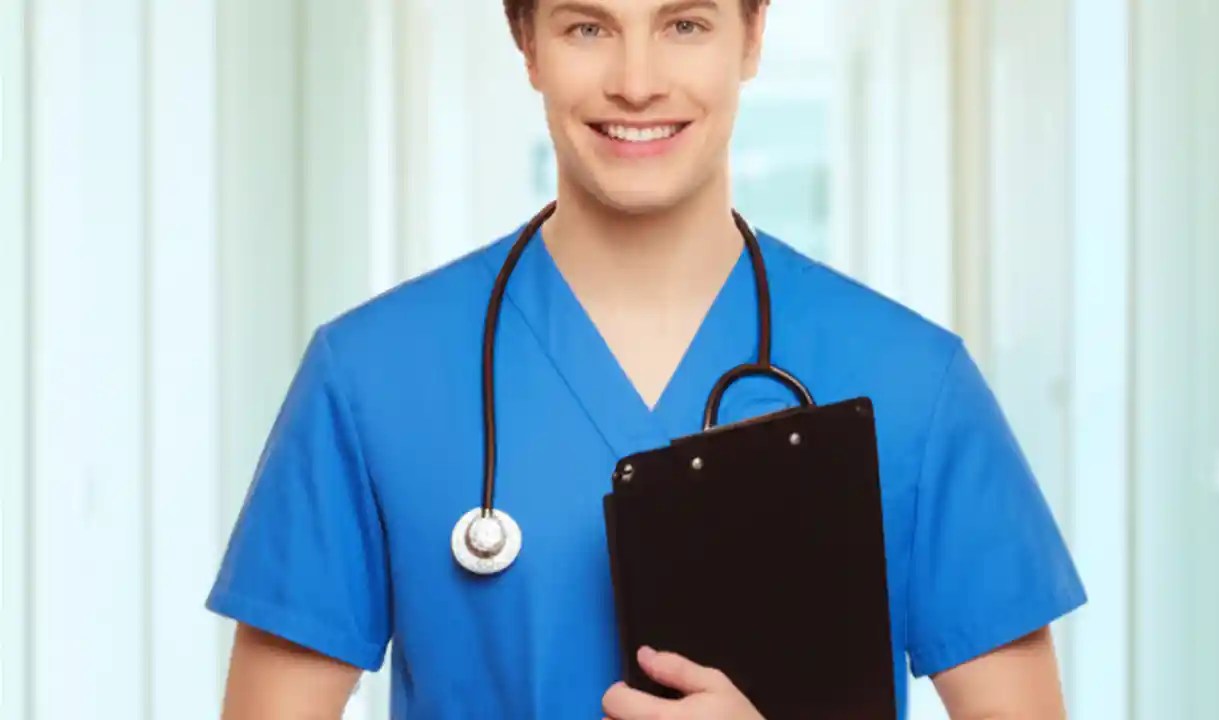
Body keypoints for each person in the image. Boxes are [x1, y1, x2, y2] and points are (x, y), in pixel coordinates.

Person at [207, 0, 1087, 717]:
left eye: (686, 24)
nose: (636, 83)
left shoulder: (911, 384)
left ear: (753, 34)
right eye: (588, 27)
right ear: (527, 43)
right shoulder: (372, 378)